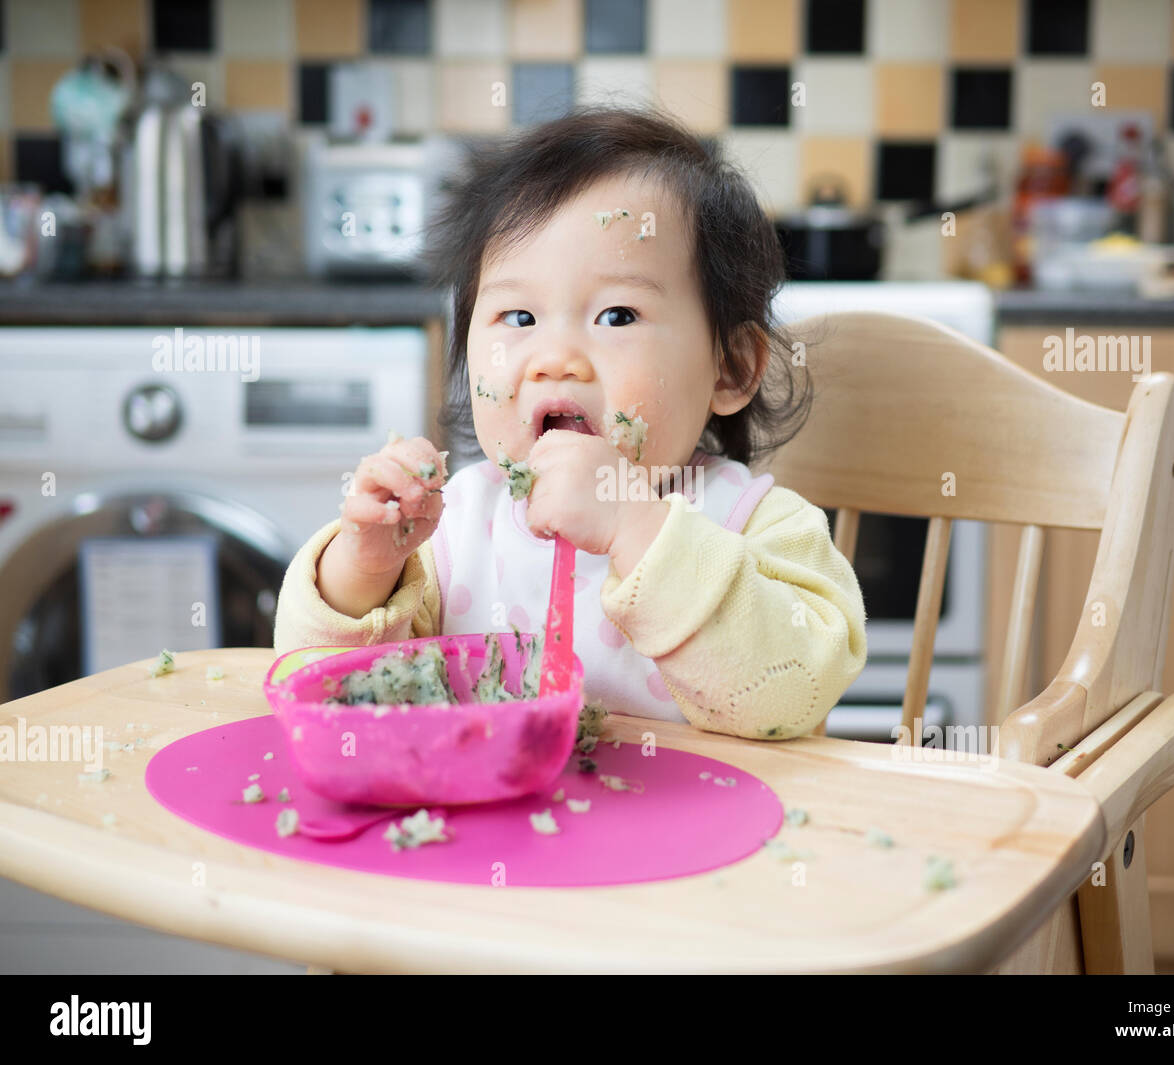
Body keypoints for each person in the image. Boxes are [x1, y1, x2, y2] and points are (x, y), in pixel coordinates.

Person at [273, 105, 867, 739]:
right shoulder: (452, 538)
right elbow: (322, 686)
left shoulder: (758, 527)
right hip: (496, 833)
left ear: (730, 369)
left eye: (616, 316)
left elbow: (790, 696)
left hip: (702, 835)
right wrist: (363, 568)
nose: (555, 360)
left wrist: (634, 525)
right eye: (520, 318)